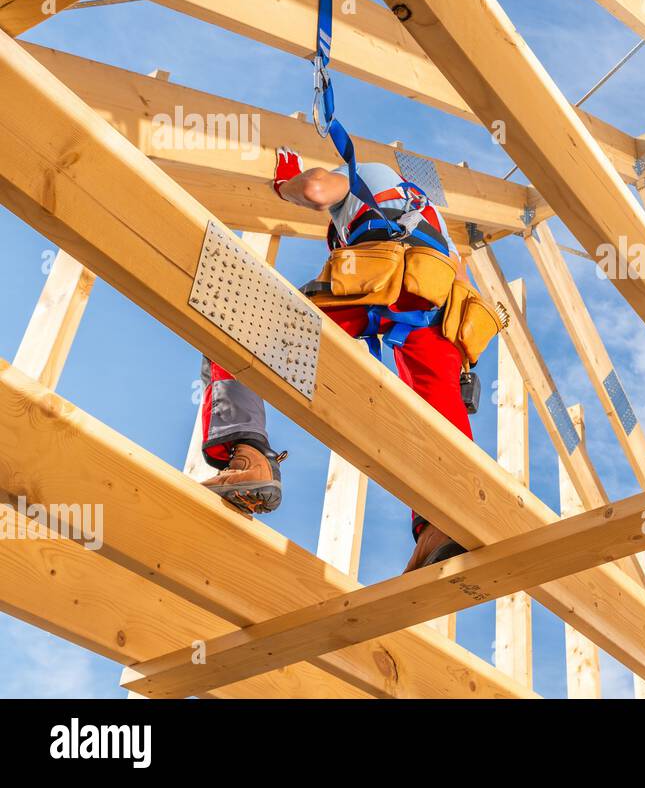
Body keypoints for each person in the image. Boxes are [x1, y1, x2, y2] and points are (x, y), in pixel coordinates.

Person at [196, 147, 480, 573]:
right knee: (438, 409)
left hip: (375, 284)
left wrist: (287, 183)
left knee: (242, 336)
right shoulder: (431, 217)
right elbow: (462, 285)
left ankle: (248, 454)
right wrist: (461, 367)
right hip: (431, 309)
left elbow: (315, 188)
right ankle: (445, 521)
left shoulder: (362, 176)